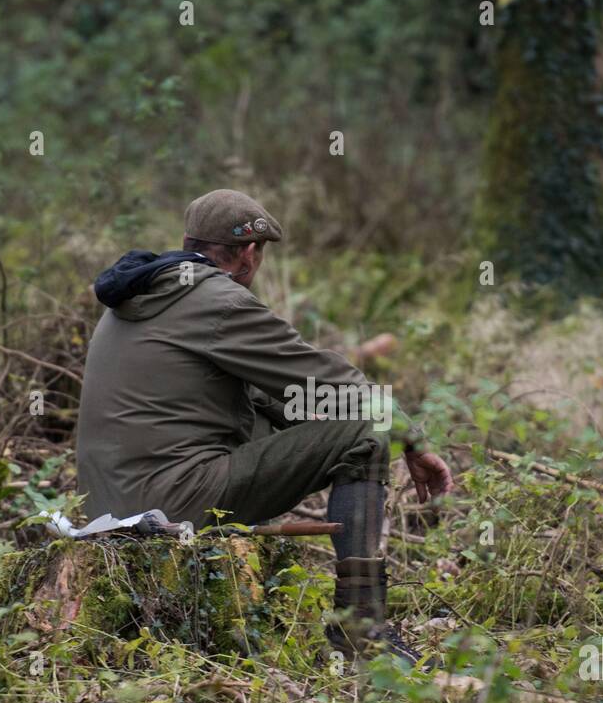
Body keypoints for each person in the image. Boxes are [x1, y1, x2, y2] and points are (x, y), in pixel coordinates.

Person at [77, 189, 453, 661]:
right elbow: (325, 377)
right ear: (250, 253)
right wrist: (411, 439)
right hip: (172, 500)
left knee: (319, 421)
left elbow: (261, 394)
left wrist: (315, 418)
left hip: (107, 509)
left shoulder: (136, 296)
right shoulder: (219, 300)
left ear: (189, 240)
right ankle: (363, 633)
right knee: (365, 433)